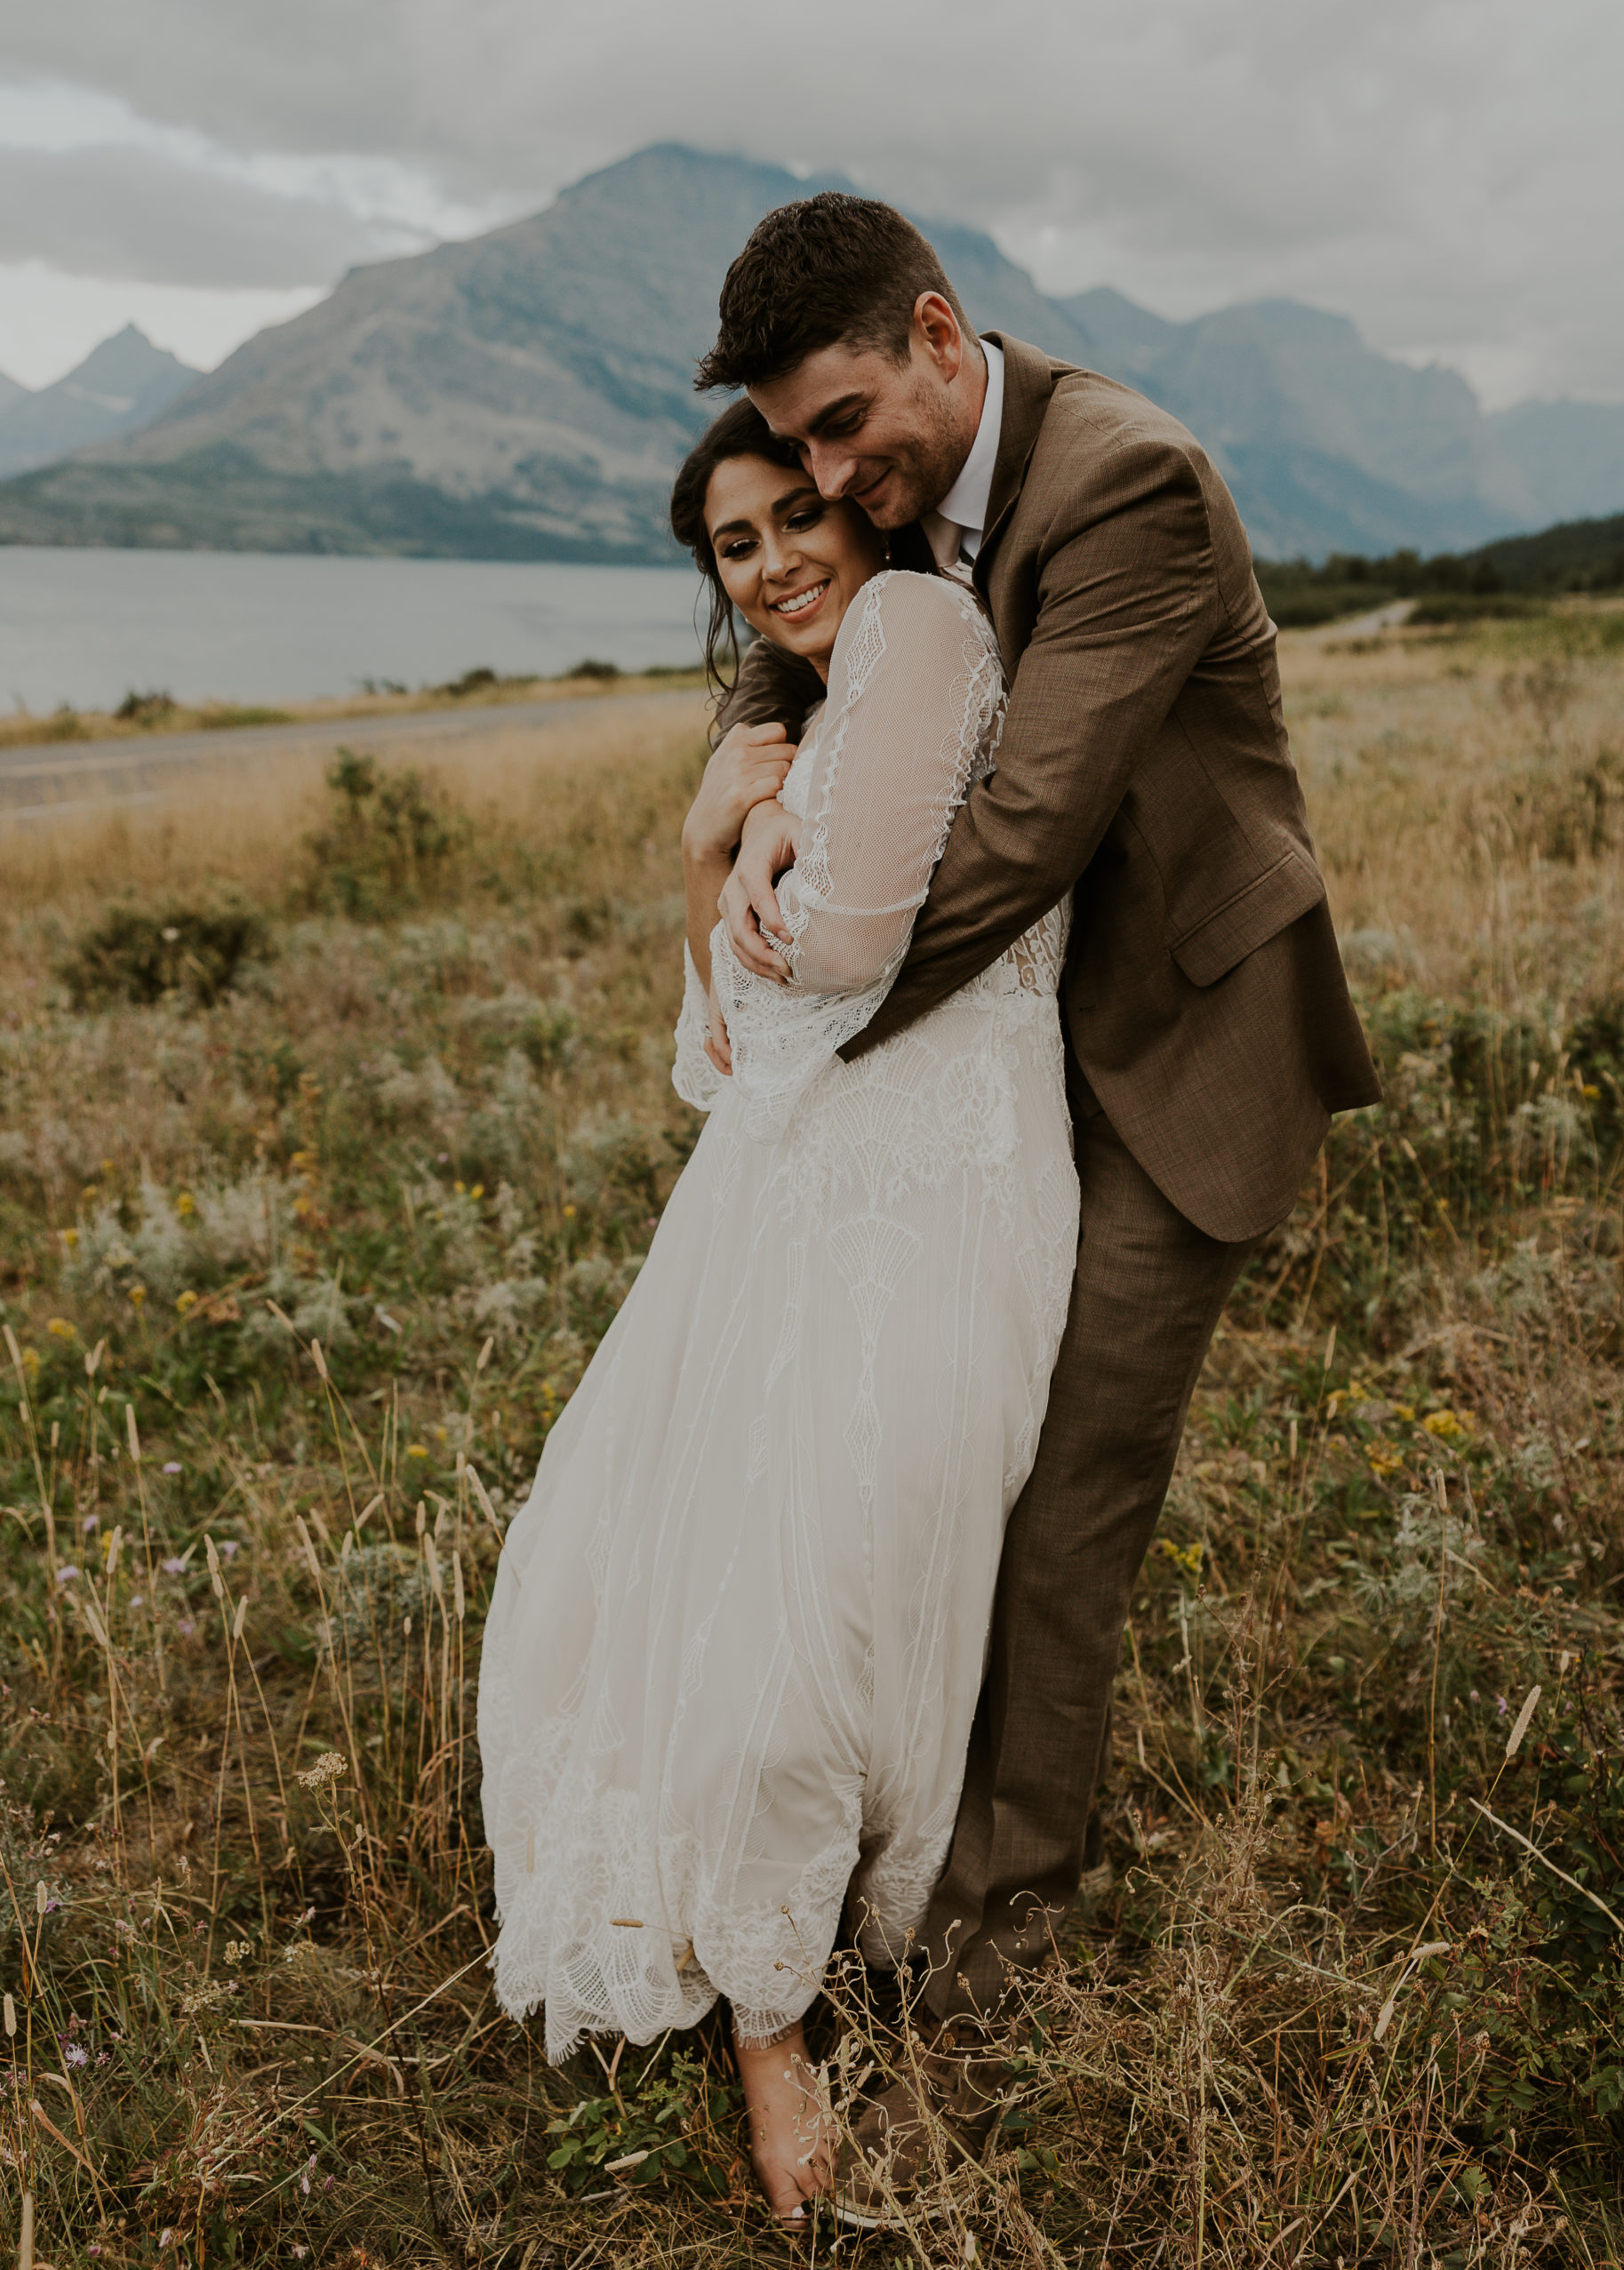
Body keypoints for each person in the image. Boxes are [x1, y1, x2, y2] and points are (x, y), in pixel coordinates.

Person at [702, 191, 1381, 2217]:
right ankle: (911, 1847)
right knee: (944, 1456)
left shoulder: (1130, 482)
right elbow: (818, 656)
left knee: (1068, 1482)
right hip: (1005, 1067)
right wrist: (746, 774)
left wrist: (792, 1000)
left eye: (843, 428)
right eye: (797, 448)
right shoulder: (904, 470)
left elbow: (1003, 838)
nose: (830, 480)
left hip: (1172, 1035)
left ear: (935, 328)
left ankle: (1000, 1968)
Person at [476, 396, 1080, 2224]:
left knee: (876, 1553)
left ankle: (852, 1900)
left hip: (948, 1178)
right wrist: (701, 844)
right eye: (730, 548)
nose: (770, 561)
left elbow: (862, 949)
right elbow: (713, 1056)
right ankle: (767, 2015)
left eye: (786, 515)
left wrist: (766, 867)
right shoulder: (779, 727)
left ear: (849, 502)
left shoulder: (921, 641)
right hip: (779, 1201)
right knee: (779, 1577)